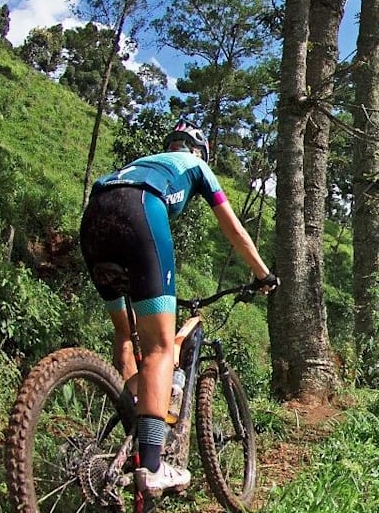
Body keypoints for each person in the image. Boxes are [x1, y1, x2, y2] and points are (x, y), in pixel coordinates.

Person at [79, 120, 277, 495]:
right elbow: (234, 230)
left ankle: (135, 423)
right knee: (158, 347)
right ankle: (152, 465)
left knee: (126, 334)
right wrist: (264, 275)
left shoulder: (141, 162)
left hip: (95, 217)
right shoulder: (197, 166)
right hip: (140, 211)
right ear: (199, 150)